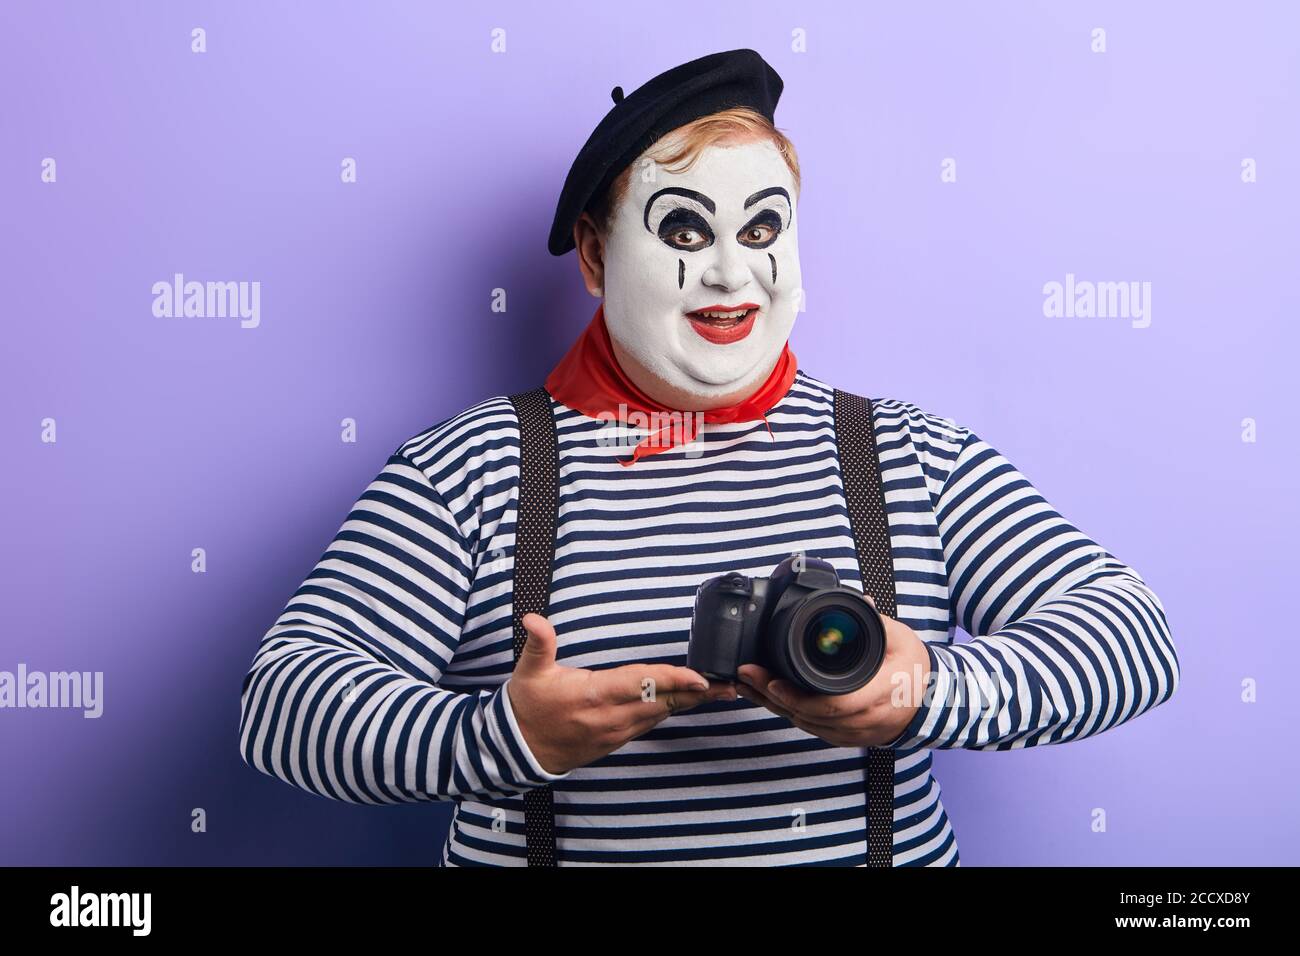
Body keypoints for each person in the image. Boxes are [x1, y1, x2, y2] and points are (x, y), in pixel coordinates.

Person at [238, 49, 1178, 866]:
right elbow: (283, 706)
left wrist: (926, 688)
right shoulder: (473, 468)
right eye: (686, 231)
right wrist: (500, 735)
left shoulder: (903, 455)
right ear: (598, 260)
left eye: (761, 229)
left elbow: (1133, 638)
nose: (731, 272)